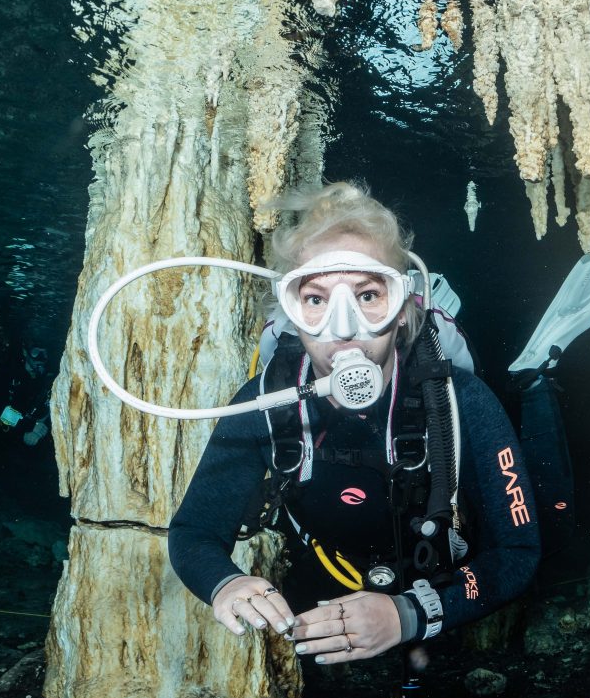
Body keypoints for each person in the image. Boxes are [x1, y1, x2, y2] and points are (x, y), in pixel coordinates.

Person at [168, 182, 541, 667]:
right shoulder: (266, 401)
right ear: (291, 311)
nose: (344, 329)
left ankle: (537, 379)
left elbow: (517, 552)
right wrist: (227, 582)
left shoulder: (458, 401)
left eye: (368, 294)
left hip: (442, 591)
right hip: (319, 581)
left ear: (403, 305)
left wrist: (411, 615)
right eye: (316, 300)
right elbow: (195, 530)